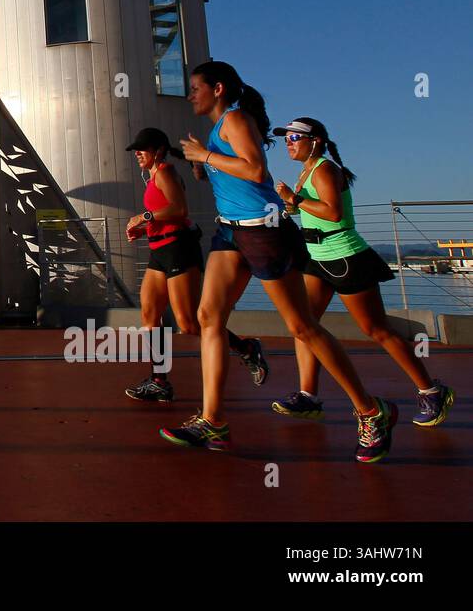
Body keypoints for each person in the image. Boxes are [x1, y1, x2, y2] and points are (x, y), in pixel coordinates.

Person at [161, 61, 398, 463]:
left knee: (302, 327)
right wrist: (203, 166)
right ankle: (213, 419)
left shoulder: (235, 119)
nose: (190, 95)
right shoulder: (219, 129)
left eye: (195, 88)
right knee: (208, 319)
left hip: (264, 232)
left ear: (218, 89)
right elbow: (235, 174)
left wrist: (207, 155)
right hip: (230, 231)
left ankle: (371, 411)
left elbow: (256, 171)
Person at [271, 117, 455, 426]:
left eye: (294, 138)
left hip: (345, 257)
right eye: (286, 138)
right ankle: (308, 396)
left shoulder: (326, 169)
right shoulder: (305, 173)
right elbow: (309, 210)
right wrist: (290, 205)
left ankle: (432, 391)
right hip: (316, 257)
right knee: (303, 325)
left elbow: (333, 211)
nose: (288, 143)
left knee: (376, 329)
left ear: (314, 140)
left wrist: (295, 199)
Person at [122, 127, 269, 402]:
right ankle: (159, 381)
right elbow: (164, 215)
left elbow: (180, 210)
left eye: (142, 149)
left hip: (179, 249)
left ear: (159, 151)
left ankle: (247, 348)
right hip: (159, 251)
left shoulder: (165, 172)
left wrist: (143, 217)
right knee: (150, 316)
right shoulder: (152, 176)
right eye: (136, 151)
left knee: (189, 323)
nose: (138, 154)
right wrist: (144, 229)